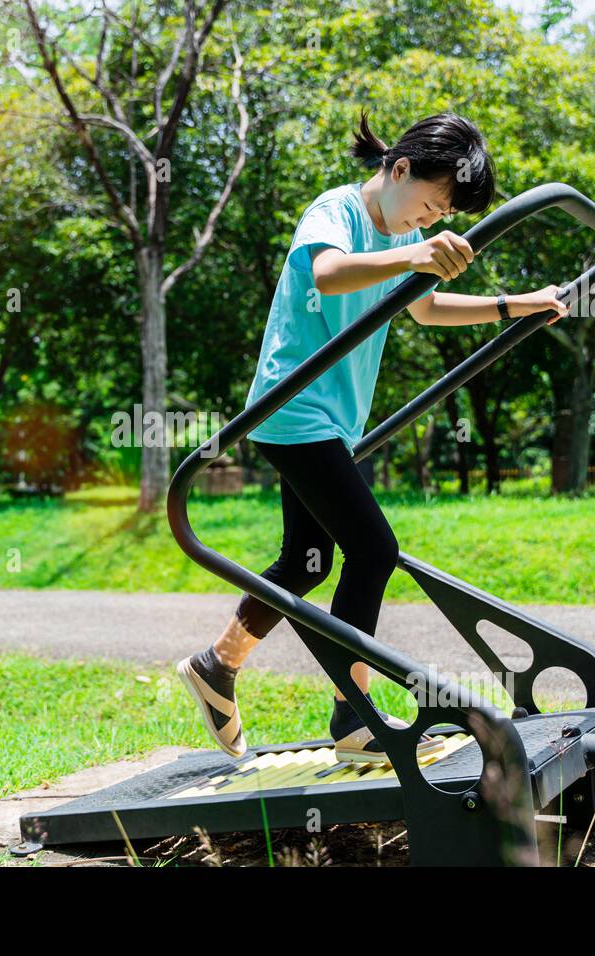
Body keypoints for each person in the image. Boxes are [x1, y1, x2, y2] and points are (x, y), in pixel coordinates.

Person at [176, 111, 570, 763]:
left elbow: (425, 307)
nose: (430, 221)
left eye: (442, 215)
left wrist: (515, 304)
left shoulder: (396, 238)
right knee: (373, 550)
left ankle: (217, 666)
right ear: (399, 169)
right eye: (429, 204)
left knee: (307, 560)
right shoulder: (337, 212)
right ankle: (352, 718)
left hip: (326, 422)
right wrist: (413, 254)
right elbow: (327, 273)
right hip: (292, 410)